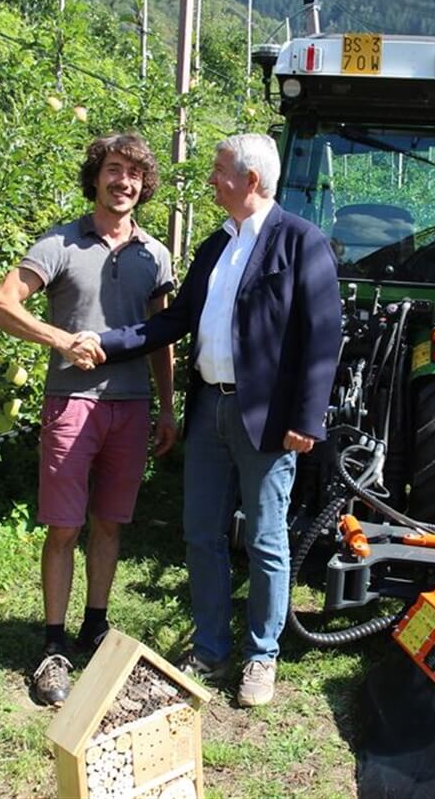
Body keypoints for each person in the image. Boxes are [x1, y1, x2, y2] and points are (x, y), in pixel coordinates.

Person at [72, 133, 342, 707]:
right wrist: (106, 342)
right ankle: (212, 649)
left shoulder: (300, 242)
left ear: (250, 180)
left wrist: (307, 419)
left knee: (267, 540)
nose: (211, 179)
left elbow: (323, 338)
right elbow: (172, 324)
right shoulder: (216, 246)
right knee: (200, 533)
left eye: (220, 170)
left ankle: (261, 657)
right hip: (210, 408)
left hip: (266, 419)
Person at [0, 133, 178, 707]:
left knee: (111, 524)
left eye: (135, 174)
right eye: (114, 170)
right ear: (95, 177)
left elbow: (160, 338)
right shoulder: (60, 243)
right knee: (64, 526)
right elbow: (0, 304)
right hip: (72, 403)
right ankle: (52, 644)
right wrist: (60, 339)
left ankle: (95, 624)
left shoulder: (154, 255)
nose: (125, 182)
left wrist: (167, 407)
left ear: (145, 186)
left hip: (132, 406)